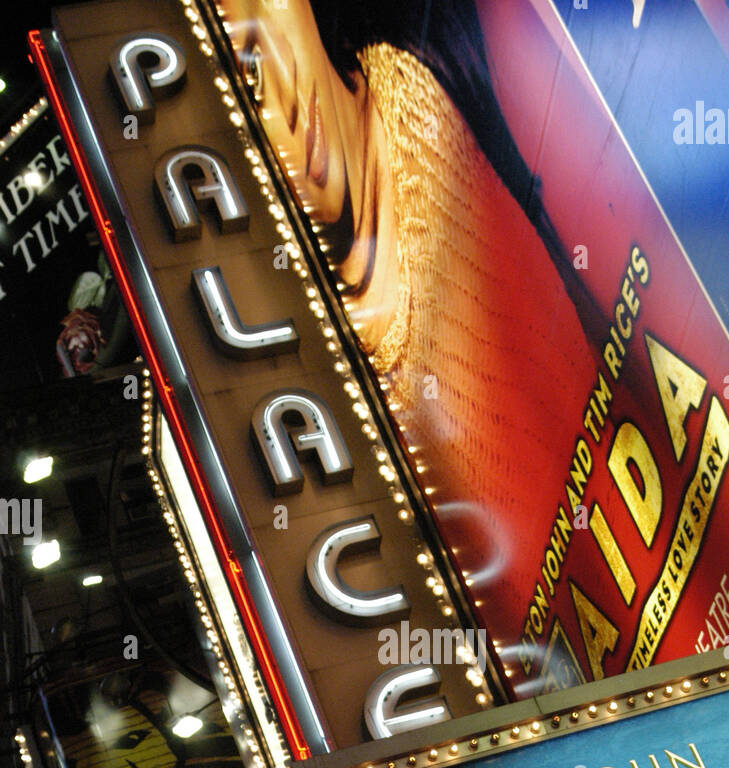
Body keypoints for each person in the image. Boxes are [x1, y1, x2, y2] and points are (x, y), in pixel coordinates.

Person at [221, 0, 605, 666]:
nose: (275, 82)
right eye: (238, 67)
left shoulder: (456, 62)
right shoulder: (336, 422)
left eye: (262, 14)